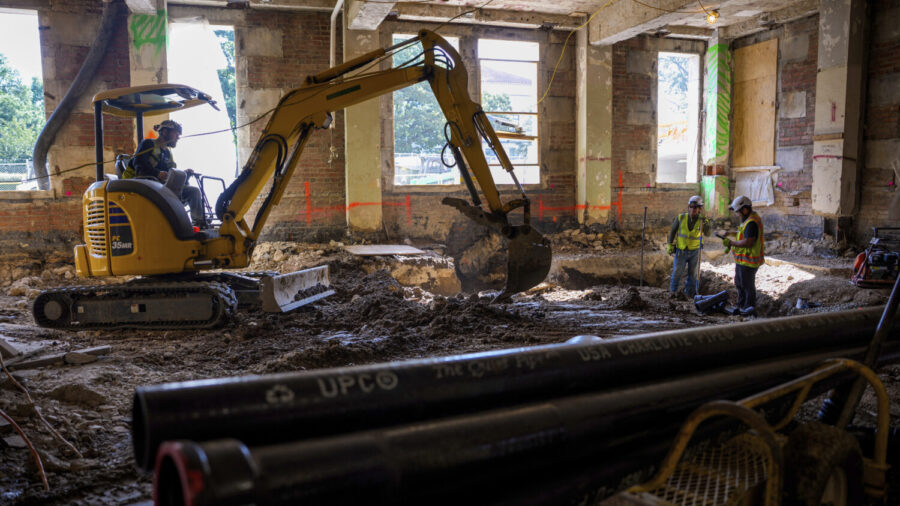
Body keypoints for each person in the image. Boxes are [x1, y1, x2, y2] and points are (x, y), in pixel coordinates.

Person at [128, 119, 207, 228]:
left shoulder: (167, 153)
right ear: (165, 132)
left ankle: (198, 224)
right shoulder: (148, 144)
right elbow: (138, 163)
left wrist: (185, 174)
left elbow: (170, 173)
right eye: (176, 134)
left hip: (161, 187)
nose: (178, 137)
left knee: (193, 191)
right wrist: (157, 173)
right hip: (144, 186)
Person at [722, 195, 764, 316]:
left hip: (749, 261)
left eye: (738, 212)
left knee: (747, 286)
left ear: (745, 209)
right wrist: (730, 233)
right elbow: (743, 232)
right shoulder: (749, 219)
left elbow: (748, 241)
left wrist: (732, 243)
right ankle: (741, 306)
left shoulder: (751, 222)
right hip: (743, 261)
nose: (737, 214)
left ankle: (748, 309)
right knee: (740, 283)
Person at [666, 195, 711, 298]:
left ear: (700, 209)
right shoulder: (681, 217)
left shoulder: (702, 221)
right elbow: (673, 231)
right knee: (677, 272)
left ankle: (690, 294)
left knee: (693, 275)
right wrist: (669, 244)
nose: (693, 209)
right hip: (681, 250)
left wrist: (706, 222)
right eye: (691, 206)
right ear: (688, 207)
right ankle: (673, 292)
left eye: (696, 207)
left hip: (695, 252)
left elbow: (708, 233)